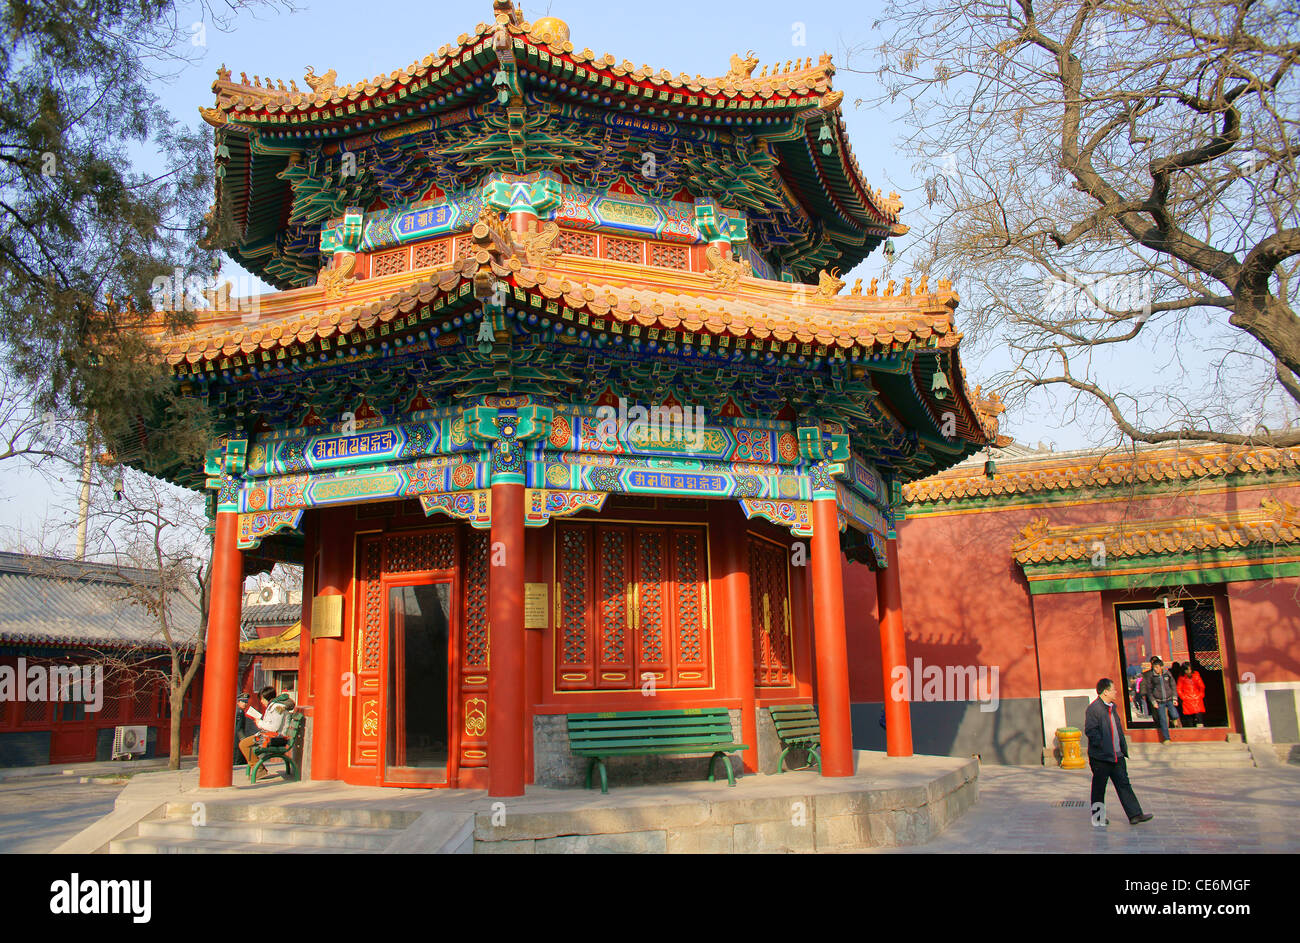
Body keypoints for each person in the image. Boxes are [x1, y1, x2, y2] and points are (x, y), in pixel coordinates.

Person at [1084, 678, 1154, 827]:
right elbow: (1091, 731)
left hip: (1117, 755)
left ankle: (1135, 814)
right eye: (1113, 689)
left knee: (1124, 784)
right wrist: (1103, 745)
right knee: (1099, 787)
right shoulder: (1093, 709)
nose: (1116, 691)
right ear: (1105, 691)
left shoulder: (1112, 707)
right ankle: (1098, 817)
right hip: (1101, 757)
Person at [239, 685, 295, 780]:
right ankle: (259, 769)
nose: (261, 702)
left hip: (275, 739)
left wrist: (259, 723)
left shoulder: (277, 708)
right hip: (270, 736)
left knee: (244, 744)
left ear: (266, 698)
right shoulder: (274, 706)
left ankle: (259, 770)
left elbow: (274, 728)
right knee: (245, 744)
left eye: (262, 699)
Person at [1141, 657, 1180, 742]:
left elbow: (1173, 685)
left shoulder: (1167, 674)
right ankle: (1166, 738)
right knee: (1163, 719)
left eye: (1157, 667)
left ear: (1162, 667)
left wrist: (1175, 698)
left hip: (1169, 698)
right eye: (1154, 667)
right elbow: (1149, 690)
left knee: (1174, 714)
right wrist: (1153, 701)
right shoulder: (1151, 676)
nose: (1156, 669)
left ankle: (1174, 719)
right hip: (1159, 701)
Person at [1177, 660, 1206, 727]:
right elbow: (1179, 689)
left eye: (1189, 669)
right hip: (1187, 699)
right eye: (1187, 670)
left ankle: (1200, 730)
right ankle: (1191, 730)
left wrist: (1201, 695)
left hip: (1197, 698)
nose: (1188, 671)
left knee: (1199, 716)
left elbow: (1201, 686)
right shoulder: (1181, 678)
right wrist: (1183, 697)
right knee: (1189, 717)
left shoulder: (1196, 675)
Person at [233, 692, 257, 766]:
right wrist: (243, 739)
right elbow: (238, 728)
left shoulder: (241, 711)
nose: (245, 704)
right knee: (238, 758)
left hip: (239, 738)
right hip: (238, 738)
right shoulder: (239, 712)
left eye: (246, 702)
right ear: (238, 702)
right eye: (243, 702)